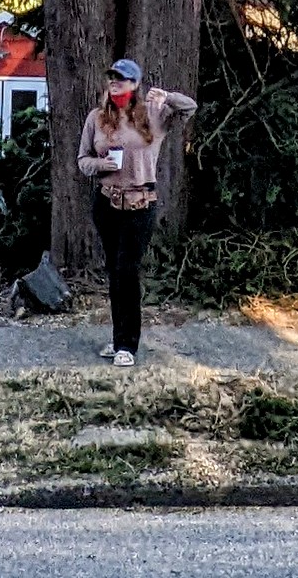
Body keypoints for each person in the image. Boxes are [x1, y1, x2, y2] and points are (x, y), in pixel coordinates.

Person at [77, 57, 196, 366]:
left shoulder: (153, 115)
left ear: (135, 84)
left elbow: (189, 107)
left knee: (127, 272)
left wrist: (167, 97)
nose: (115, 81)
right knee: (115, 273)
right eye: (112, 76)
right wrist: (101, 165)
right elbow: (82, 159)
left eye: (123, 77)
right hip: (106, 203)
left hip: (140, 205)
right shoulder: (96, 118)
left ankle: (128, 345)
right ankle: (119, 339)